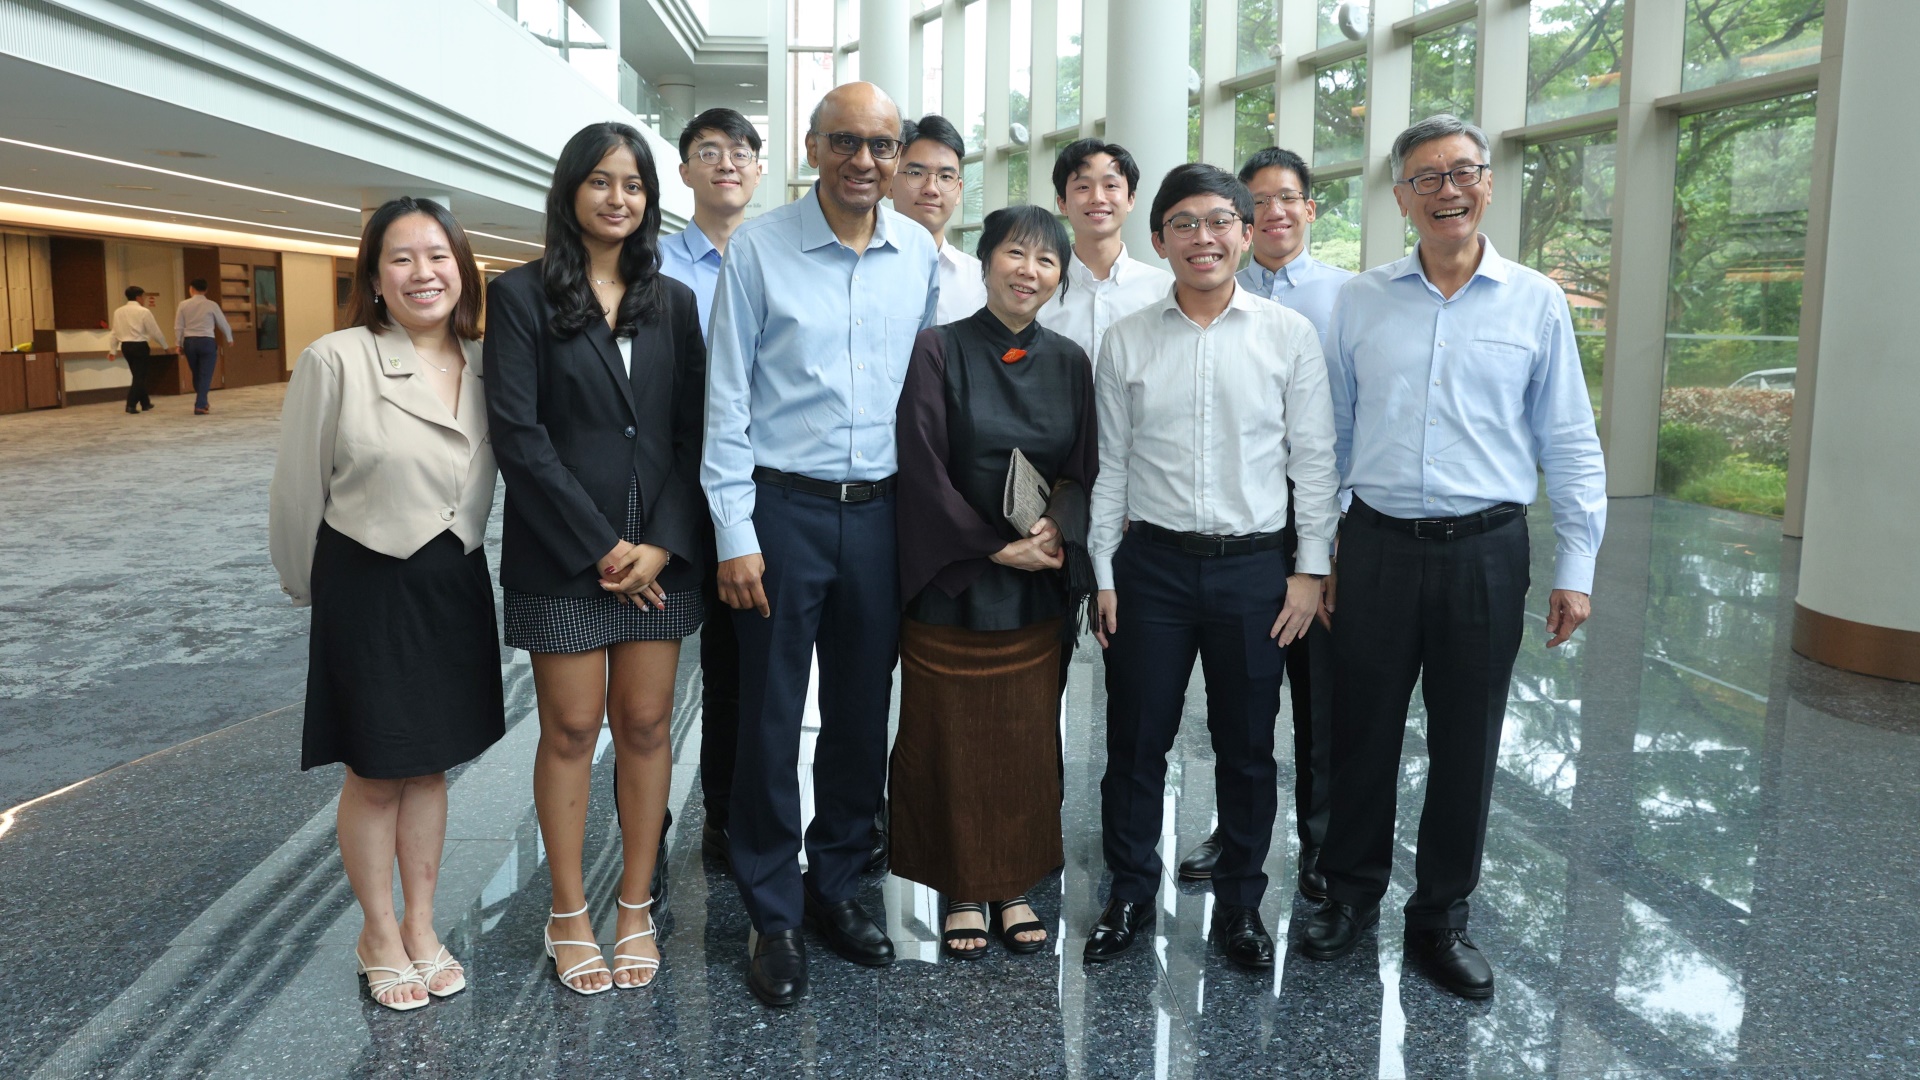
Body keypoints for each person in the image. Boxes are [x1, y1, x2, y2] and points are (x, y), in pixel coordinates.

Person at [1303, 115, 1606, 999]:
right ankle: (1351, 895)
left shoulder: (1536, 301)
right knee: (1362, 733)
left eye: (1462, 172)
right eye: (1426, 177)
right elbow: (1331, 436)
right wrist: (1320, 555)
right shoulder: (1360, 300)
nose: (1447, 190)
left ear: (1487, 183)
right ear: (1400, 197)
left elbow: (1570, 438)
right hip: (1377, 548)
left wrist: (1575, 565)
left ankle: (1441, 917)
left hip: (1485, 550)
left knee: (1467, 741)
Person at [703, 81, 938, 1007]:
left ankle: (838, 886)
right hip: (782, 512)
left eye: (883, 146)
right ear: (812, 147)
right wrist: (734, 530)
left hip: (881, 516)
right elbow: (725, 400)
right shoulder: (758, 250)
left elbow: (926, 408)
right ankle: (771, 910)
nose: (865, 162)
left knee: (856, 710)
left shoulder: (918, 254)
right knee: (766, 716)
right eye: (846, 142)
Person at [1084, 164, 1338, 972]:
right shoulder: (1126, 339)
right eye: (1185, 224)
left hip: (1256, 573)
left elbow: (1316, 465)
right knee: (1133, 744)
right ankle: (1128, 893)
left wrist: (1309, 570)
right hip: (1150, 567)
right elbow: (1111, 468)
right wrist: (1103, 571)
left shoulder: (1287, 335)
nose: (1206, 238)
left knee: (1248, 748)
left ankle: (1240, 906)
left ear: (1247, 230)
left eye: (1221, 220)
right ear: (1158, 240)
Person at [486, 122, 709, 995]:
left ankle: (634, 906)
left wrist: (661, 543)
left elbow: (695, 432)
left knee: (649, 726)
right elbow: (519, 435)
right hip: (564, 547)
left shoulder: (675, 302)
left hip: (660, 546)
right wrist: (603, 544)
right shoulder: (519, 297)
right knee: (573, 729)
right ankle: (568, 911)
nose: (620, 198)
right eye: (602, 182)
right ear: (570, 191)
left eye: (635, 184)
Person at [268, 197, 502, 1011]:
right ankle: (377, 930)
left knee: (430, 765)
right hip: (366, 580)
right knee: (376, 770)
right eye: (400, 258)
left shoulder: (489, 358)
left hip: (453, 578)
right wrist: (311, 590)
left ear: (462, 267)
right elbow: (297, 492)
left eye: (437, 255)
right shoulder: (337, 358)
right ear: (373, 276)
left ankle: (423, 925)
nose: (422, 273)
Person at [891, 205, 1095, 960]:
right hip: (952, 581)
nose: (1028, 271)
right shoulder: (937, 350)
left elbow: (1083, 467)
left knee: (1024, 741)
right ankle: (961, 887)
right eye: (1015, 253)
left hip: (1036, 586)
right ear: (985, 262)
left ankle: (1011, 882)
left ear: (1060, 280)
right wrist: (988, 547)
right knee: (947, 739)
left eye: (1046, 262)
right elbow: (921, 467)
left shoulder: (1072, 361)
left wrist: (1052, 531)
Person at [1176, 147, 1353, 902]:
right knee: (1238, 704)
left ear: (1311, 209)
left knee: (1320, 702)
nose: (1274, 213)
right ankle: (1234, 831)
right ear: (1241, 223)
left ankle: (1322, 844)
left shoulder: (1355, 298)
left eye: (1289, 198)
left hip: (1323, 528)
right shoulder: (1208, 286)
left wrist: (1331, 548)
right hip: (1235, 529)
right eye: (1258, 202)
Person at [658, 106, 764, 873]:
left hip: (753, 494)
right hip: (666, 491)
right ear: (686, 170)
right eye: (708, 151)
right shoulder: (654, 268)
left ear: (760, 169)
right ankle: (645, 834)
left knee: (735, 666)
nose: (726, 163)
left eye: (741, 152)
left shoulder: (776, 256)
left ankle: (725, 815)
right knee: (648, 681)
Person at [1037, 138, 1172, 365]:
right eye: (1082, 187)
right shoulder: (1041, 289)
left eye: (1110, 186)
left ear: (1130, 200)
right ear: (1062, 203)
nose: (1098, 198)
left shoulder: (1162, 289)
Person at [889, 113, 988, 324]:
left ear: (959, 190)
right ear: (889, 182)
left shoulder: (980, 281)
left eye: (945, 177)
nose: (931, 189)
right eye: (916, 173)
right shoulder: (862, 271)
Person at [174, 278, 234, 415]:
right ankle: (200, 404)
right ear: (206, 290)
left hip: (190, 342)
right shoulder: (211, 305)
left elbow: (179, 326)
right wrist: (229, 337)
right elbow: (222, 322)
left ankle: (203, 401)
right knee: (205, 374)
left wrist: (178, 343)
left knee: (197, 373)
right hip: (207, 341)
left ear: (191, 289)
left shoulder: (183, 305)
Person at [109, 286, 166, 415]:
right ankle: (130, 404)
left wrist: (113, 350)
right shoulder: (144, 311)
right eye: (143, 297)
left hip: (126, 347)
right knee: (140, 376)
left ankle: (145, 402)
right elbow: (154, 330)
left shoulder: (118, 312)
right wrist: (164, 345)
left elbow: (114, 332)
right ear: (138, 297)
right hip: (140, 346)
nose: (144, 300)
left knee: (137, 375)